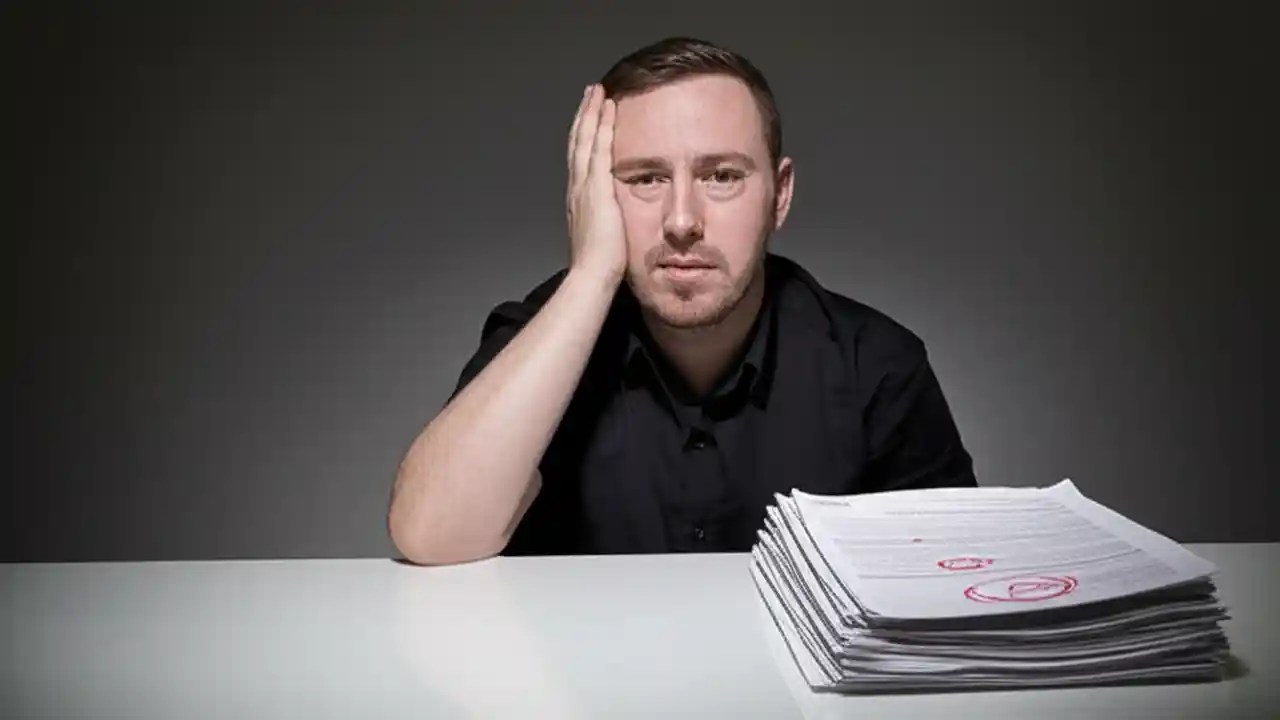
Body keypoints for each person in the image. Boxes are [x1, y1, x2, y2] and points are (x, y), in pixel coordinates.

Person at [388, 37, 976, 565]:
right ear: (592, 195)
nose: (682, 221)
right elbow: (433, 537)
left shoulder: (875, 363)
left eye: (721, 176)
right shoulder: (543, 332)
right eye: (644, 178)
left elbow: (955, 584)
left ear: (780, 195)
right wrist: (593, 272)